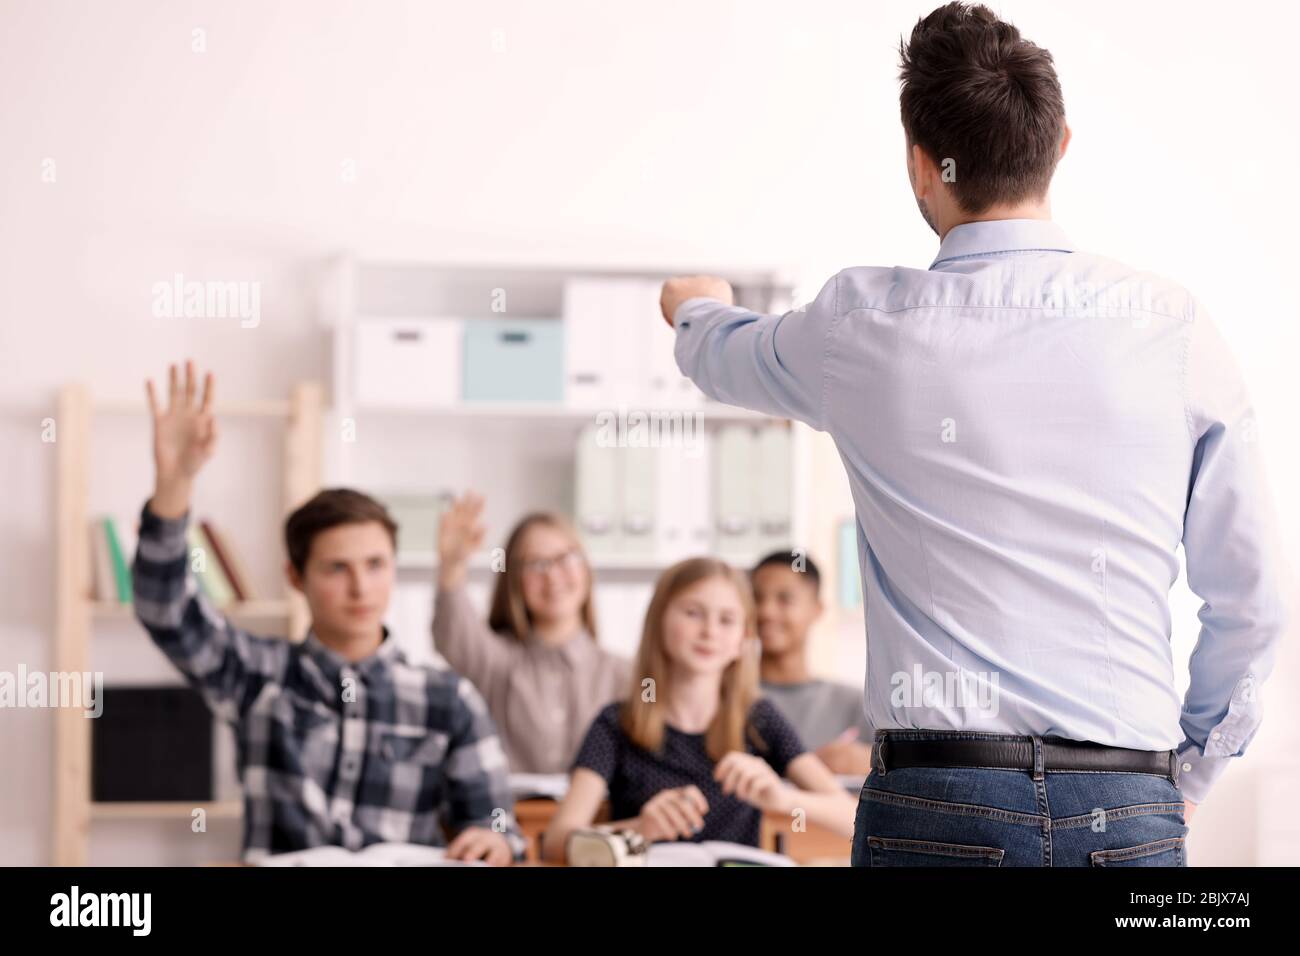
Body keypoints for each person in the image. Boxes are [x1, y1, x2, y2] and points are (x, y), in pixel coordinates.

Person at [658, 2, 1288, 866]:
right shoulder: (1171, 331)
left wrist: (693, 307)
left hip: (937, 807)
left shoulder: (858, 328)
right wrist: (1180, 782)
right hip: (1129, 804)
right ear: (1060, 142)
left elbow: (726, 355)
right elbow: (1253, 604)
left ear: (922, 166)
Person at [133, 361, 523, 864]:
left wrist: (494, 840)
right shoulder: (255, 675)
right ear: (297, 578)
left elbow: (496, 824)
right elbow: (164, 611)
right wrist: (174, 485)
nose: (360, 586)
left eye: (376, 565)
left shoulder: (448, 699)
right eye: (337, 568)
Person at [541, 557, 856, 862]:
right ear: (659, 620)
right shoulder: (615, 724)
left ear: (742, 639)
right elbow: (555, 843)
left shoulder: (758, 718)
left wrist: (784, 798)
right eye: (693, 613)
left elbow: (853, 819)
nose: (709, 632)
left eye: (727, 620)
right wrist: (639, 829)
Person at [433, 492, 629, 774]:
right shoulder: (496, 663)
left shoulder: (624, 675)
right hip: (509, 816)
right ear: (514, 581)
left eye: (565, 558)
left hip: (598, 818)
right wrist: (452, 567)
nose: (552, 576)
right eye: (536, 564)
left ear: (585, 568)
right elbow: (455, 634)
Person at [751, 551, 873, 774]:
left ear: (817, 610)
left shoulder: (855, 705)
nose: (766, 611)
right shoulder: (723, 698)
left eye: (784, 599)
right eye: (756, 598)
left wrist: (868, 763)